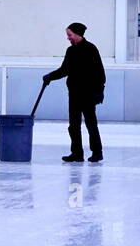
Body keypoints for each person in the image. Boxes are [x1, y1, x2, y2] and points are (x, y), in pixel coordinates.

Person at [42, 22, 106, 163]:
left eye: (69, 35)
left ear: (77, 34)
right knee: (73, 125)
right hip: (74, 94)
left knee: (91, 124)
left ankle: (97, 152)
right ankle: (77, 153)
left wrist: (99, 91)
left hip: (88, 94)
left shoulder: (91, 49)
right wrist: (50, 76)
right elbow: (64, 70)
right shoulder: (70, 51)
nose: (68, 38)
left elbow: (100, 72)